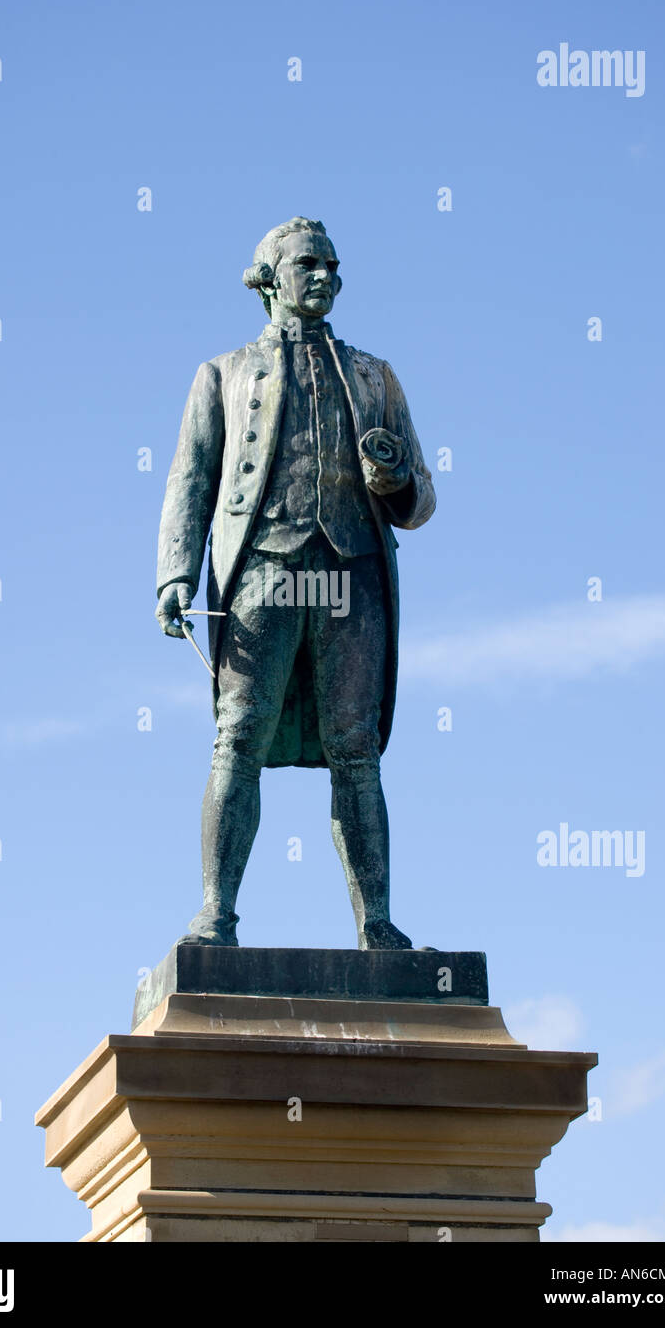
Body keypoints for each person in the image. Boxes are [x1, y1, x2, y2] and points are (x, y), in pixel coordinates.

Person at [156, 217, 435, 948]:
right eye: (309, 262)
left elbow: (422, 501)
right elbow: (191, 478)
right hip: (264, 573)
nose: (325, 276)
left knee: (357, 748)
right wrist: (175, 575)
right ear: (269, 277)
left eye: (334, 265)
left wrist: (397, 478)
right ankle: (216, 915)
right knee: (238, 738)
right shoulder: (222, 372)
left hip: (353, 574)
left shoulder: (376, 375)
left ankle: (377, 925)